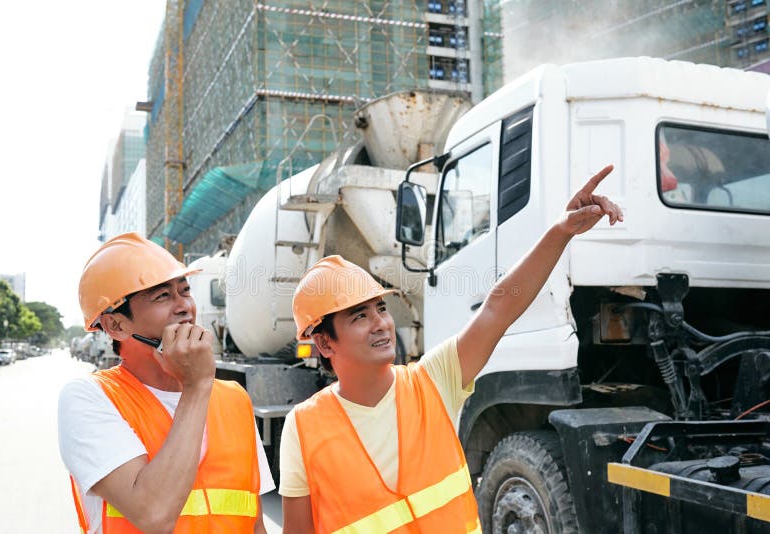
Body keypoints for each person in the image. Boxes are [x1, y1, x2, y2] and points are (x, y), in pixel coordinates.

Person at [279, 165, 623, 533]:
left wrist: (560, 232)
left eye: (381, 308)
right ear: (324, 342)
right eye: (360, 316)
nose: (381, 323)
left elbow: (498, 308)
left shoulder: (432, 381)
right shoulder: (304, 428)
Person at [58, 232, 274, 533]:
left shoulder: (234, 398)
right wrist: (196, 387)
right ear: (116, 325)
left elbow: (254, 523)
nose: (185, 306)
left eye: (185, 291)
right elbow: (154, 513)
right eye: (162, 296)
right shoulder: (90, 398)